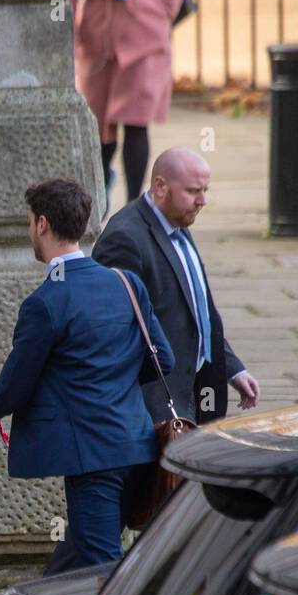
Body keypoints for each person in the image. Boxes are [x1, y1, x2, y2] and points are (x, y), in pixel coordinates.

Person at [0, 178, 173, 572]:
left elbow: (17, 384)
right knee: (74, 559)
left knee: (100, 571)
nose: (30, 230)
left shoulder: (46, 302)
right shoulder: (125, 283)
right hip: (138, 443)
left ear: (42, 224)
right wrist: (113, 382)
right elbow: (162, 358)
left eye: (30, 222)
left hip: (93, 457)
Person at [93, 147, 259, 425]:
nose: (203, 200)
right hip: (157, 408)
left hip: (195, 394)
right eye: (194, 191)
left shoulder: (178, 223)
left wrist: (231, 368)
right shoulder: (124, 239)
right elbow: (115, 335)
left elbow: (199, 310)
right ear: (160, 186)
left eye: (206, 190)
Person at [60, 0, 188, 207]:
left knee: (136, 122)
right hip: (95, 40)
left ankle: (134, 205)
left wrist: (166, 8)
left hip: (144, 35)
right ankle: (99, 188)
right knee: (98, 128)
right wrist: (65, 25)